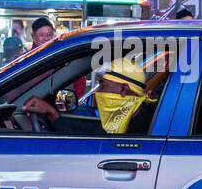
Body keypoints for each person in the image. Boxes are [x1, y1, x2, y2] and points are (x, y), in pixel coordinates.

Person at [21, 55, 157, 135]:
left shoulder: (143, 122)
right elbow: (98, 132)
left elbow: (103, 139)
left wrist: (53, 115)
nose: (98, 92)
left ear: (123, 90)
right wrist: (53, 115)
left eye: (103, 85)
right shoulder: (131, 115)